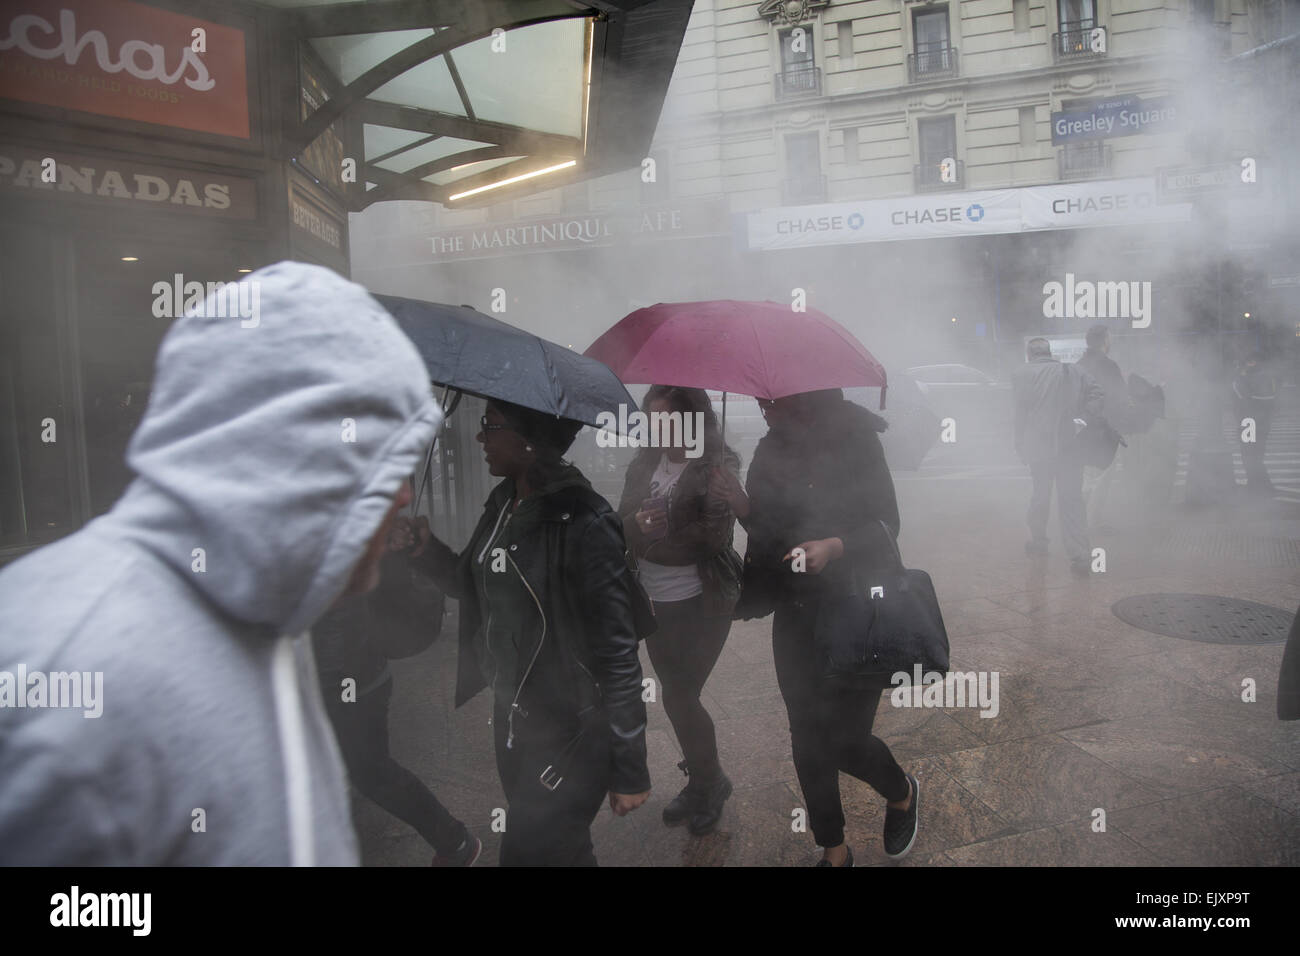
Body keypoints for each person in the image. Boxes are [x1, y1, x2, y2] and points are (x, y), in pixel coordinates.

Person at [0, 262, 442, 864]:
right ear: (290, 455)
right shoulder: (58, 667)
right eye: (383, 461)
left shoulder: (266, 609)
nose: (405, 496)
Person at [413, 399, 654, 865]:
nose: (480, 436)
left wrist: (630, 765)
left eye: (490, 425)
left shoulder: (587, 520)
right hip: (513, 715)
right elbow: (471, 585)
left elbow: (618, 651)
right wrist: (425, 551)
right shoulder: (504, 502)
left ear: (529, 439)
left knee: (527, 852)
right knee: (563, 849)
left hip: (571, 728)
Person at [710, 389, 917, 867]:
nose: (763, 407)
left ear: (804, 396)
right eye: (760, 399)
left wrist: (834, 546)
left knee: (845, 740)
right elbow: (769, 532)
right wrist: (741, 504)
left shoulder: (857, 439)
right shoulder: (771, 448)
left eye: (772, 400)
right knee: (806, 734)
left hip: (857, 611)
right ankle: (834, 850)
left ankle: (901, 791)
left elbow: (888, 524)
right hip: (797, 609)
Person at [313, 506, 481, 866]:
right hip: (350, 677)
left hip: (346, 681)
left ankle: (455, 842)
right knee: (366, 772)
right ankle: (455, 842)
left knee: (370, 772)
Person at [616, 385, 742, 835]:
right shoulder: (644, 463)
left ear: (695, 420)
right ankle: (702, 779)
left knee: (681, 695)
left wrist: (648, 541)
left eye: (670, 419)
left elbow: (711, 537)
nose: (660, 429)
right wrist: (635, 524)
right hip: (653, 600)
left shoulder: (718, 466)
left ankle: (710, 783)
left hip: (703, 599)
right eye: (654, 420)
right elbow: (620, 520)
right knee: (675, 695)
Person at [1013, 337, 1104, 577]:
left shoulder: (1021, 374)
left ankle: (1039, 541)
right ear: (1049, 352)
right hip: (1069, 446)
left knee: (1040, 495)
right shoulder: (1073, 371)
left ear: (1029, 354)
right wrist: (1083, 418)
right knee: (1072, 500)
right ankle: (1080, 555)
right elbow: (1097, 393)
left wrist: (1019, 443)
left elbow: (1020, 412)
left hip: (1039, 448)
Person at [1076, 325, 1134, 533]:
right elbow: (1120, 398)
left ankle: (1077, 518)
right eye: (1110, 338)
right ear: (1104, 341)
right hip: (1105, 431)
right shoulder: (1109, 366)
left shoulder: (1079, 366)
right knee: (1102, 476)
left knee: (1086, 474)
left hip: (1084, 429)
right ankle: (1091, 521)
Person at [1232, 351, 1278, 496]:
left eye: (1248, 362)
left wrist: (1240, 377)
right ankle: (1259, 486)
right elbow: (1271, 399)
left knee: (1249, 455)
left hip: (1248, 422)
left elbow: (1241, 396)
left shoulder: (1244, 379)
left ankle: (1260, 486)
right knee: (1256, 455)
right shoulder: (1267, 377)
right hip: (1262, 422)